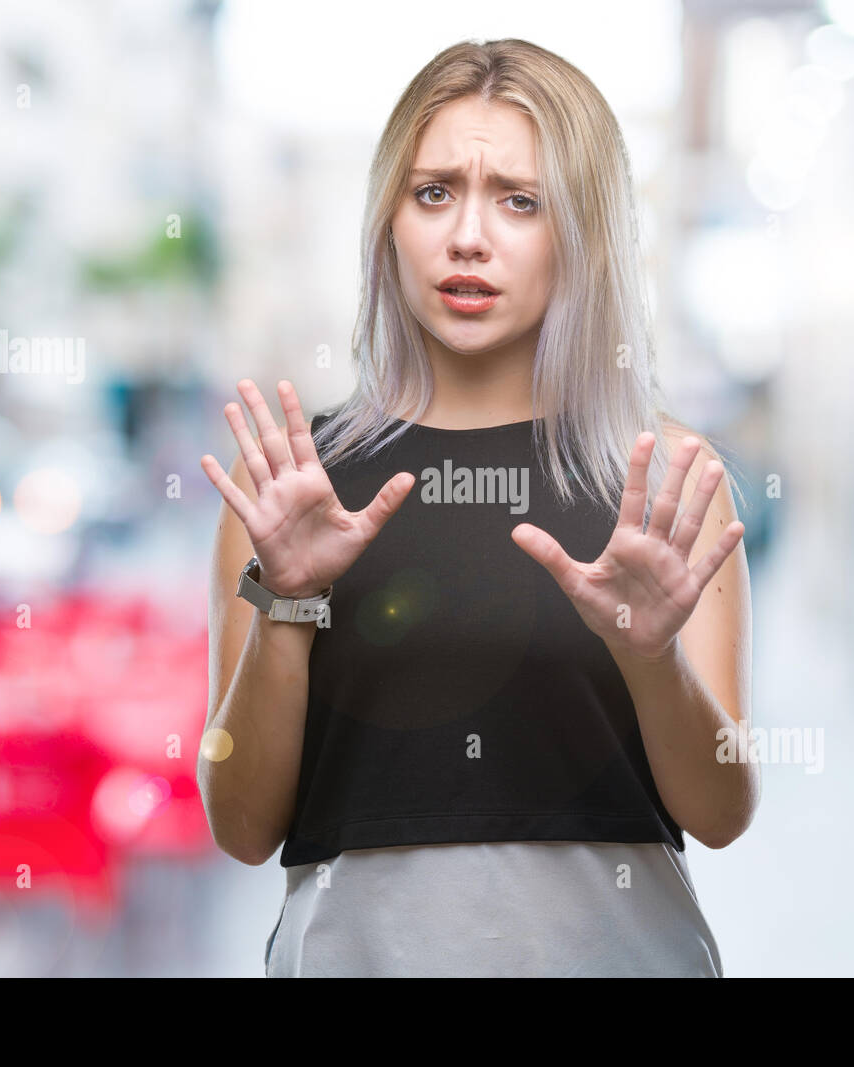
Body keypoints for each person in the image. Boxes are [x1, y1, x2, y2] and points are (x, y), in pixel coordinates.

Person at [198, 38, 756, 978]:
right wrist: (287, 604)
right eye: (433, 192)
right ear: (389, 223)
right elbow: (243, 826)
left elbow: (722, 813)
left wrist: (650, 655)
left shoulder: (665, 476)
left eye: (519, 200)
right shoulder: (293, 486)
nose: (468, 236)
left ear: (582, 231)